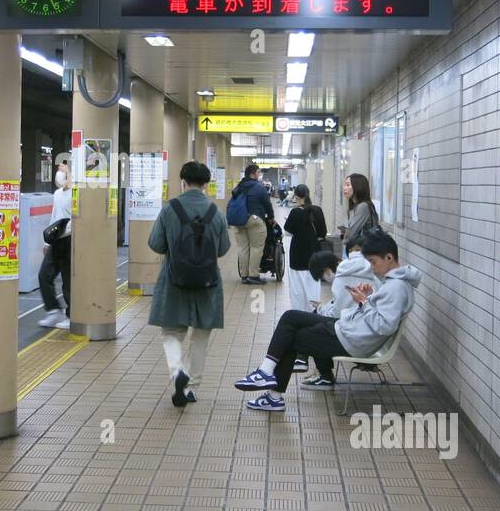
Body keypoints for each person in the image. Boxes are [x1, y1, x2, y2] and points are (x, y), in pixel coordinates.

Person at [233, 232, 420, 411]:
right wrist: (368, 297)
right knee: (291, 319)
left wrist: (363, 302)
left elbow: (384, 326)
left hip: (351, 339)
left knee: (292, 333)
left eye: (373, 262)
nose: (371, 267)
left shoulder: (396, 287)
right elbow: (381, 315)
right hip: (348, 330)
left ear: (389, 257)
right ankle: (268, 383)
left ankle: (270, 388)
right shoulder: (396, 283)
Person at [148, 161, 230, 408]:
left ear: (182, 182)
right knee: (201, 334)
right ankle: (192, 387)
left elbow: (155, 244)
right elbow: (223, 249)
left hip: (174, 280)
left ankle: (177, 373)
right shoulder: (216, 212)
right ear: (206, 184)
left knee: (172, 331)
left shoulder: (170, 209)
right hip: (207, 282)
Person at [226, 163, 274, 284]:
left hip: (239, 220)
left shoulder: (240, 186)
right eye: (258, 172)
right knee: (256, 247)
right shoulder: (259, 187)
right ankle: (253, 275)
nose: (259, 174)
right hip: (254, 220)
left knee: (243, 248)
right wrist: (271, 217)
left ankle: (244, 276)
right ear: (252, 174)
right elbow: (267, 204)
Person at [283, 184, 328, 313]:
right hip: (315, 257)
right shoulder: (318, 210)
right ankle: (313, 313)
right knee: (313, 288)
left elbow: (287, 232)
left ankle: (299, 315)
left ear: (296, 196)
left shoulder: (295, 212)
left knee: (298, 290)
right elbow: (322, 233)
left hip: (298, 257)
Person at [38, 161, 73, 329]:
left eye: (62, 169)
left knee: (68, 280)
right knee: (44, 275)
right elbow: (54, 216)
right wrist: (47, 241)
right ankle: (53, 311)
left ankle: (71, 316)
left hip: (70, 240)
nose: (59, 172)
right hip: (56, 240)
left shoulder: (76, 193)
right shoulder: (58, 194)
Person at [337, 172, 380, 246]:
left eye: (348, 185)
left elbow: (352, 231)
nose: (344, 188)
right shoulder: (359, 205)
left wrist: (345, 241)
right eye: (345, 185)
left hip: (364, 250)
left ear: (358, 187)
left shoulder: (363, 206)